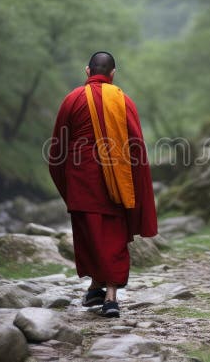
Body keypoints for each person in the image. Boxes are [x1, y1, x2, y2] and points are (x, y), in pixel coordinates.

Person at [48, 51, 157, 318]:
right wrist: (133, 181)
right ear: (112, 74)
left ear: (87, 71)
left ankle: (98, 288)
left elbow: (58, 149)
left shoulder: (72, 99)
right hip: (115, 180)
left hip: (82, 179)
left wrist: (65, 183)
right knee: (113, 236)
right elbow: (136, 147)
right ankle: (108, 294)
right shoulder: (123, 101)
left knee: (89, 235)